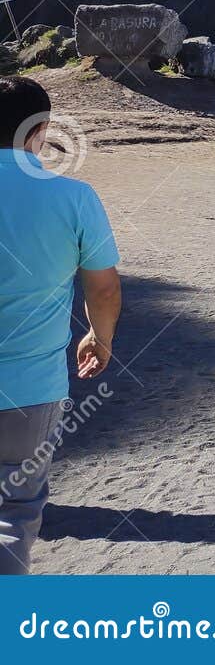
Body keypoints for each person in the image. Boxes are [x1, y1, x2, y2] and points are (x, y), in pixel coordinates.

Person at [0, 76, 121, 575]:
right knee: (13, 513)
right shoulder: (73, 196)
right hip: (31, 389)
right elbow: (103, 289)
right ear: (40, 130)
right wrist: (100, 337)